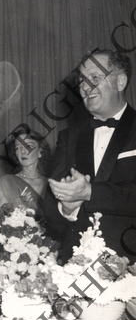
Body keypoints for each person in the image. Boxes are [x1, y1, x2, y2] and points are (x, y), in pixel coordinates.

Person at [45, 49, 136, 260]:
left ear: (120, 82)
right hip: (76, 268)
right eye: (82, 81)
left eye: (95, 77)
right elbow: (49, 211)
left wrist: (90, 192)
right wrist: (66, 207)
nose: (86, 86)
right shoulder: (69, 137)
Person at [0, 124, 51, 219]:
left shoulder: (51, 183)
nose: (23, 151)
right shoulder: (7, 182)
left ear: (40, 152)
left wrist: (34, 208)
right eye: (18, 148)